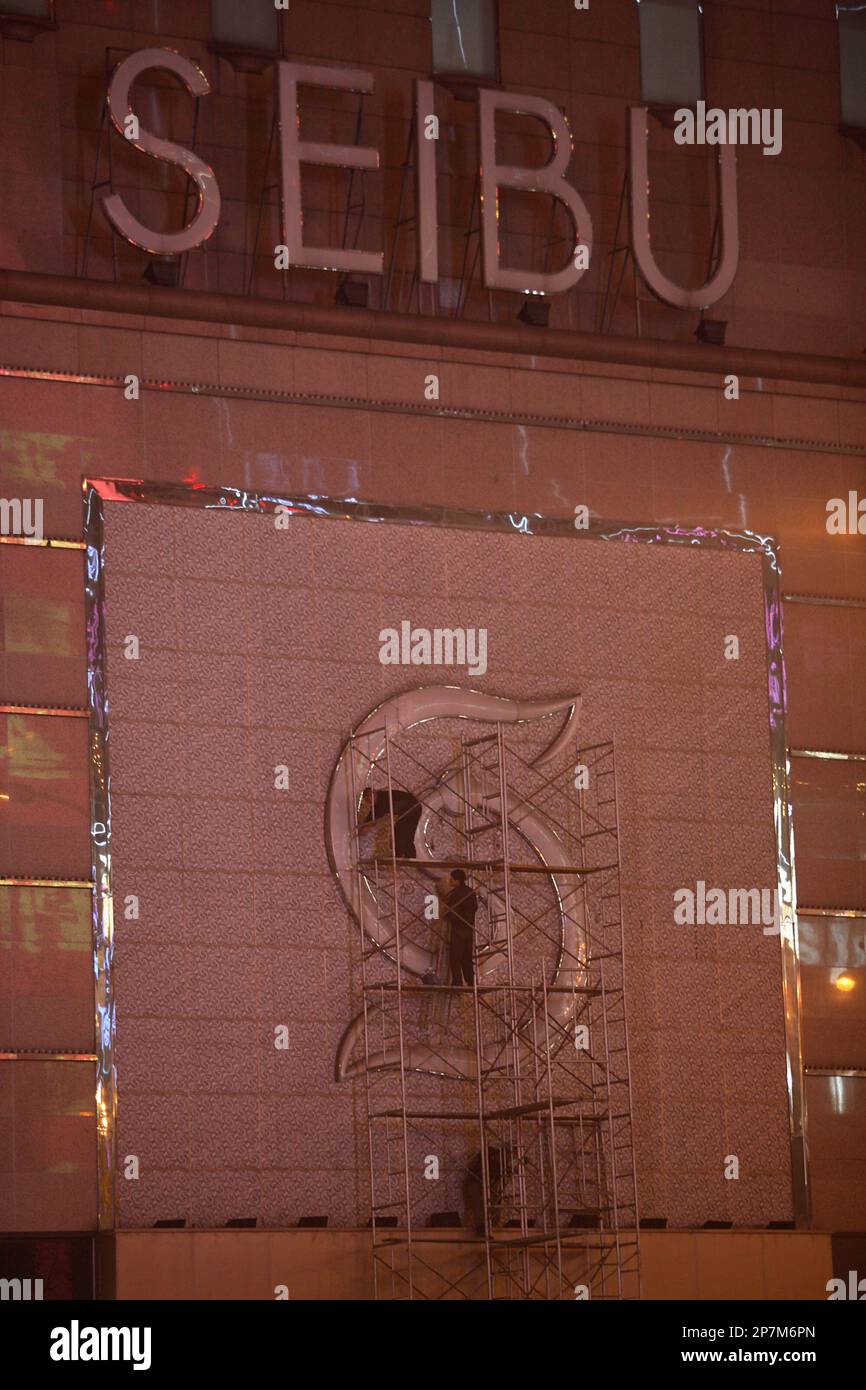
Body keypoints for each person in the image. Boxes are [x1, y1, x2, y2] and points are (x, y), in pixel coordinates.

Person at [357, 787, 422, 859]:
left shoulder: (383, 799)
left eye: (367, 800)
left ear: (372, 793)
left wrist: (364, 826)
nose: (368, 802)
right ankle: (408, 857)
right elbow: (373, 813)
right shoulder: (382, 798)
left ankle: (400, 856)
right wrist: (365, 825)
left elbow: (375, 814)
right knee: (406, 835)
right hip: (413, 809)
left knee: (399, 833)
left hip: (412, 810)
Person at [463, 1145, 506, 1236]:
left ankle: (490, 1227)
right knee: (479, 1206)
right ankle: (481, 1228)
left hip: (488, 1186)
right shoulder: (479, 1166)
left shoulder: (497, 1165)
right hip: (476, 1184)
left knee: (494, 1206)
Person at [446, 867, 477, 986]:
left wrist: (446, 916)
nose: (450, 881)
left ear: (457, 880)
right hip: (469, 927)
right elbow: (474, 908)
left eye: (451, 879)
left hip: (458, 927)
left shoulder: (456, 894)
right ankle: (470, 981)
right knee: (467, 956)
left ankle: (457, 981)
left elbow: (452, 912)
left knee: (455, 956)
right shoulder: (471, 892)